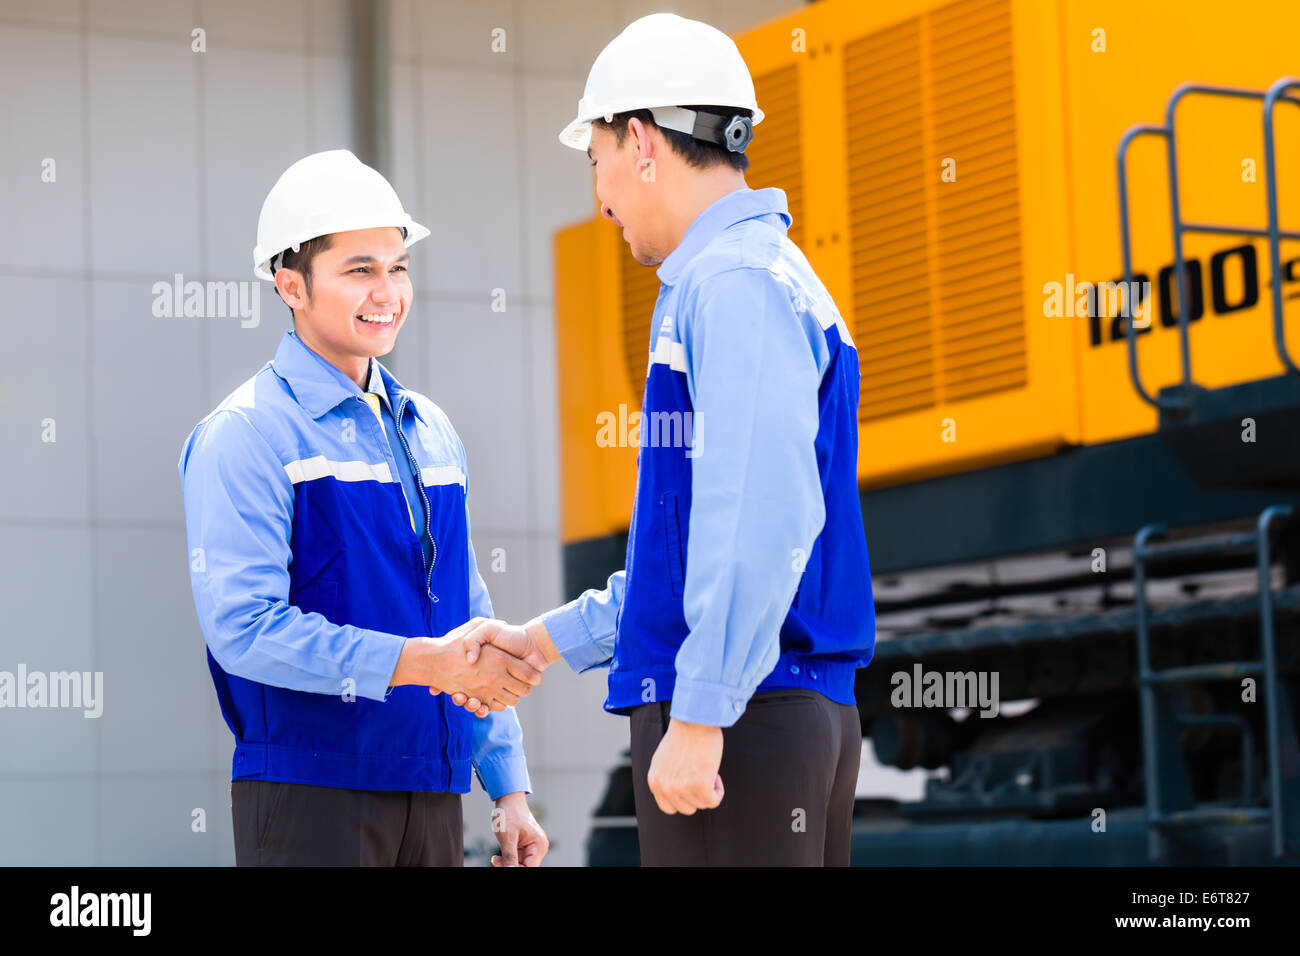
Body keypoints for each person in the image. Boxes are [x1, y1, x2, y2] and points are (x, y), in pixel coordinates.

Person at [451, 14, 876, 866]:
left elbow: (759, 514)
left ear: (641, 142)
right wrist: (544, 641)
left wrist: (702, 710)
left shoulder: (733, 285)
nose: (599, 195)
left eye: (596, 158)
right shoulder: (753, 278)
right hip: (777, 714)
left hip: (747, 722)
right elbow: (690, 549)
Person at [177, 149, 547, 867]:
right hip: (310, 795)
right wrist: (417, 663)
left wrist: (506, 787)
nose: (388, 292)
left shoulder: (429, 429)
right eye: (359, 270)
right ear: (291, 285)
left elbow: (463, 613)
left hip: (432, 791)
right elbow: (243, 628)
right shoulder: (247, 434)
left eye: (398, 266)